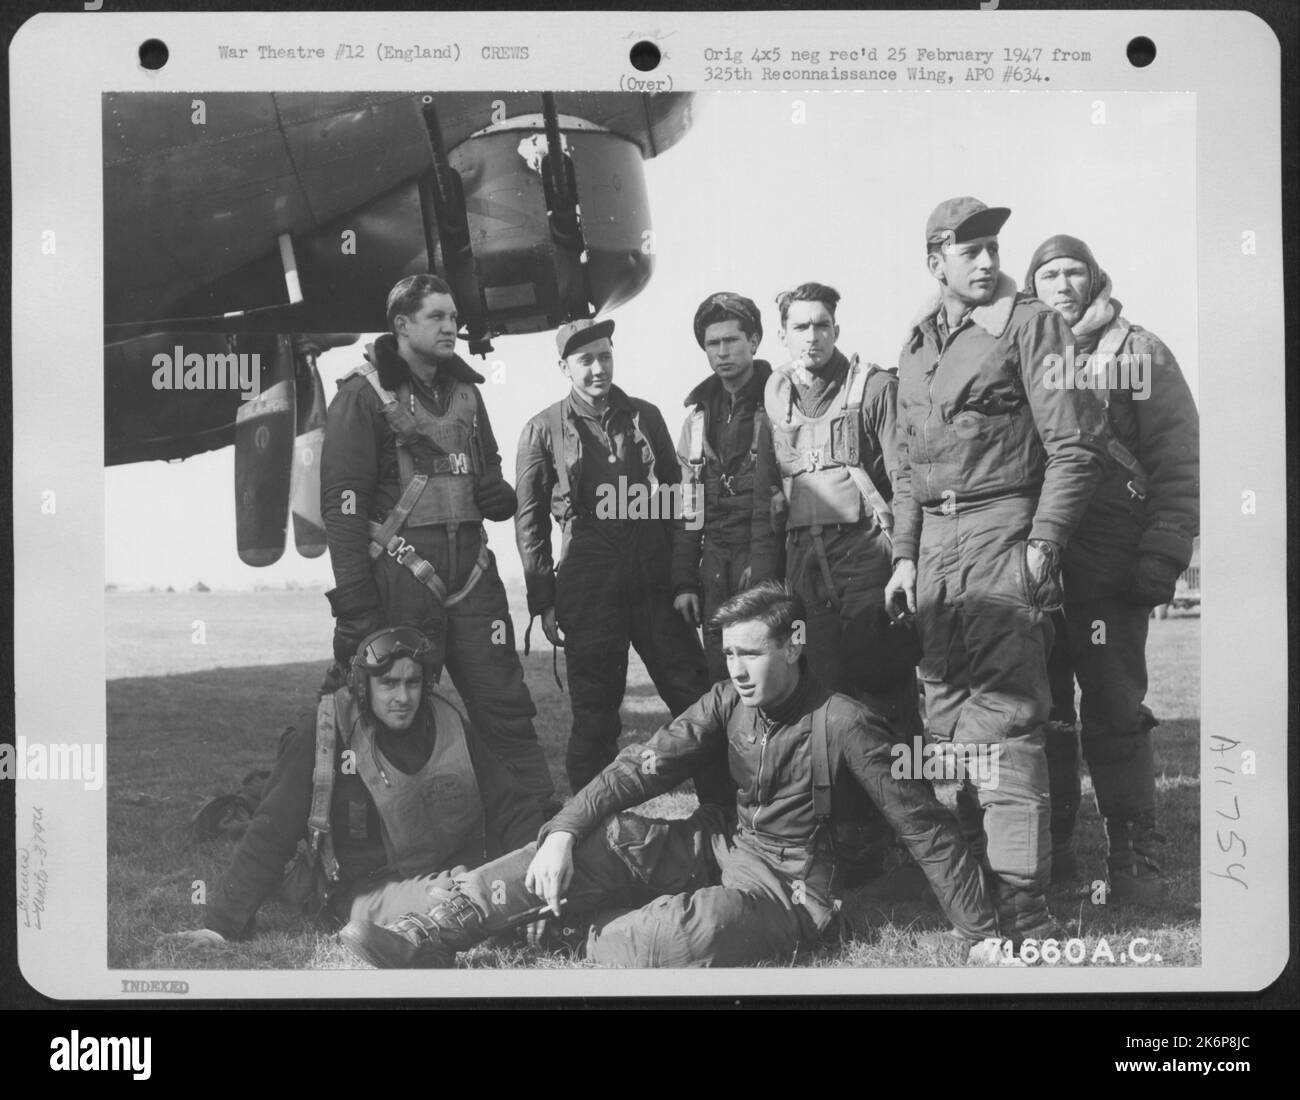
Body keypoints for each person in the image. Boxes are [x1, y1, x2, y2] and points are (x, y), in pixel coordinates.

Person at [339, 583, 1008, 969]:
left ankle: (568, 932)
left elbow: (924, 827)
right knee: (612, 839)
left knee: (698, 930)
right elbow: (642, 765)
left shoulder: (846, 724)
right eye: (729, 655)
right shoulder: (727, 702)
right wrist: (567, 830)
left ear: (796, 645)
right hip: (721, 845)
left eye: (753, 653)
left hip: (792, 887)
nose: (738, 670)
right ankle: (429, 935)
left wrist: (982, 936)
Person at [884, 198, 1107, 944]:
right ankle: (985, 875)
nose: (986, 262)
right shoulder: (916, 345)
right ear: (935, 261)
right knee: (948, 721)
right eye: (969, 250)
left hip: (1002, 529)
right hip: (937, 550)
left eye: (992, 248)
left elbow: (1074, 447)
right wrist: (905, 558)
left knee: (1010, 720)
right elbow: (907, 470)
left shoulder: (1032, 324)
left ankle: (1027, 909)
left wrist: (1042, 543)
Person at [159, 628, 552, 948]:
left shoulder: (447, 721)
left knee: (549, 855)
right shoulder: (324, 730)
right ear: (364, 686)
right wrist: (221, 925)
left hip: (455, 871)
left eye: (413, 683)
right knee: (453, 899)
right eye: (389, 684)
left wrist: (529, 885)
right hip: (365, 890)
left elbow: (512, 806)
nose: (403, 697)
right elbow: (271, 832)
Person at [318, 274, 553, 801]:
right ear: (401, 325)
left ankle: (535, 827)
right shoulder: (361, 396)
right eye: (437, 318)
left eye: (453, 317)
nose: (452, 327)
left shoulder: (466, 393)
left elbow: (484, 464)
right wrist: (355, 601)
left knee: (506, 709)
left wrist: (496, 491)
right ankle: (363, 836)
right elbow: (341, 506)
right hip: (399, 581)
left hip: (472, 581)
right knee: (385, 716)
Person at [1027, 234, 1200, 903]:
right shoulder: (1023, 352)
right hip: (1040, 571)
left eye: (1073, 272)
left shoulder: (1138, 351)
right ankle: (1058, 858)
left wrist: (1162, 555)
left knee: (1115, 712)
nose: (1061, 284)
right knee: (1043, 715)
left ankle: (1137, 865)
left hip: (1112, 569)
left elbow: (1177, 460)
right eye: (1047, 274)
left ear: (1094, 278)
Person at [514, 318, 716, 800]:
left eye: (605, 356)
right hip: (589, 583)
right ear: (564, 367)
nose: (598, 368)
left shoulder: (645, 416)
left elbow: (676, 496)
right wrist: (545, 600)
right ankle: (591, 834)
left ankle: (723, 814)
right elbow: (530, 523)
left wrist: (684, 577)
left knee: (695, 699)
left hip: (654, 578)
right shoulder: (542, 430)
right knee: (595, 715)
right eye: (586, 361)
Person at [672, 292, 773, 683]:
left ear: (754, 341)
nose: (722, 352)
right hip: (714, 563)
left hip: (767, 555)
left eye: (731, 340)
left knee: (768, 669)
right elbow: (687, 508)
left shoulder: (781, 404)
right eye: (712, 344)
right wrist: (683, 581)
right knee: (722, 674)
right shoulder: (696, 421)